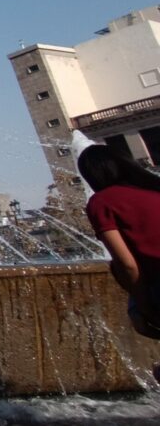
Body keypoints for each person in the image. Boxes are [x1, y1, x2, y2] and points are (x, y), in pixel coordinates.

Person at [79, 145, 160, 339]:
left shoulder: (102, 202)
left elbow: (127, 264)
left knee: (135, 311)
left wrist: (144, 307)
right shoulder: (154, 188)